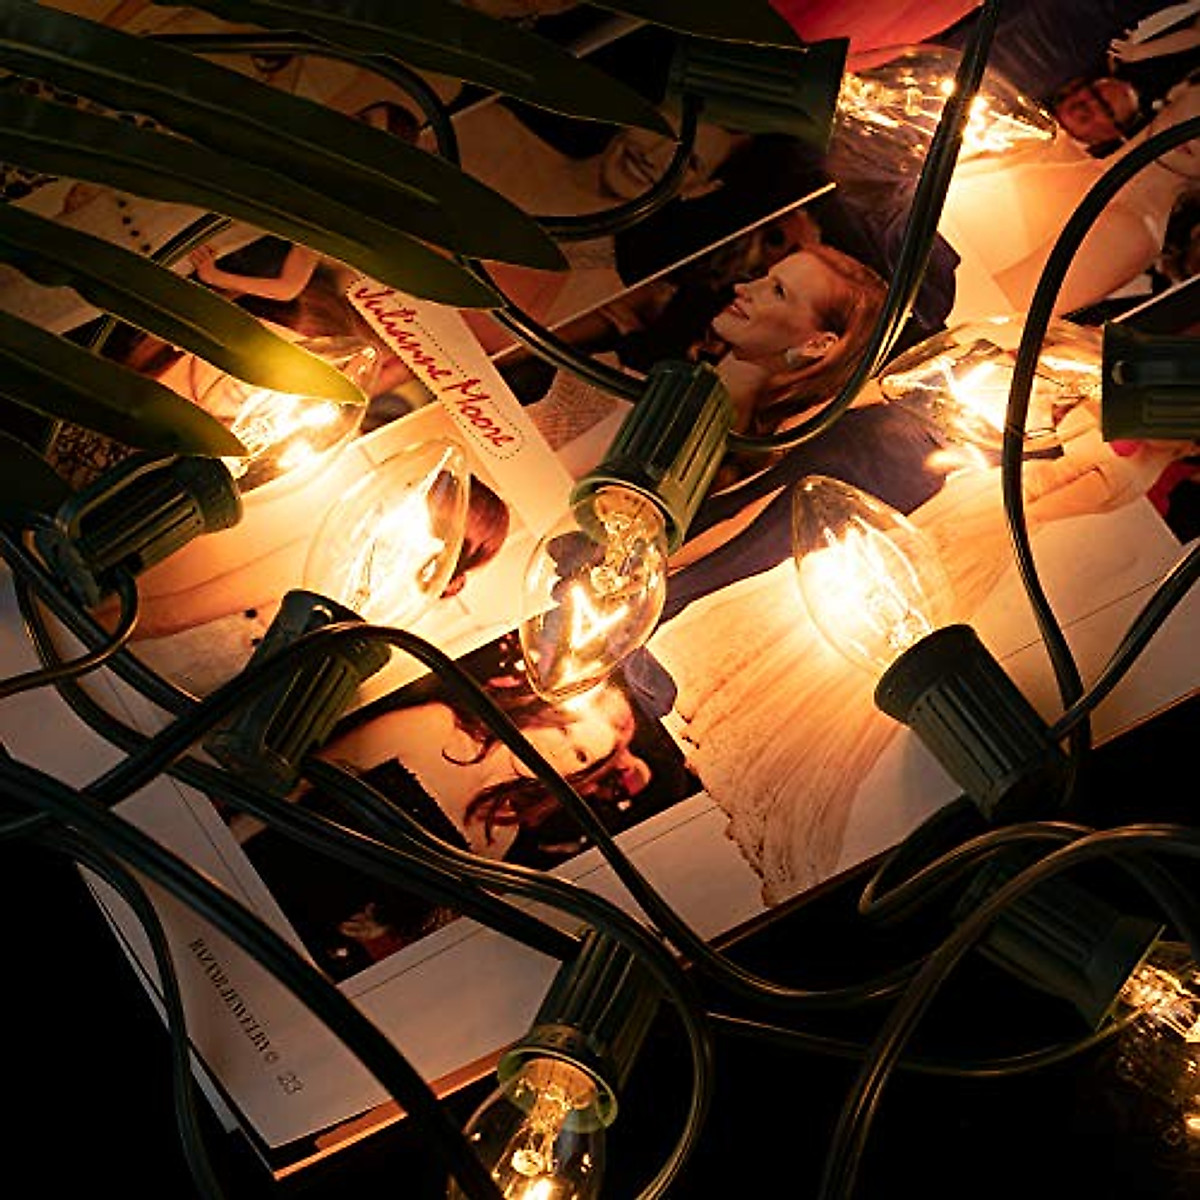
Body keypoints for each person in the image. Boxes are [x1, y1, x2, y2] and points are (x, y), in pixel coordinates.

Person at [648, 400, 1199, 907]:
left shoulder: (1134, 475)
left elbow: (1041, 501)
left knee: (867, 634)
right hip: (971, 495)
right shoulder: (1105, 418)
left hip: (992, 519)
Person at [233, 671, 658, 978]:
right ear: (540, 712)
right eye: (564, 731)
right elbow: (294, 784)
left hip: (303, 935)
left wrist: (387, 921)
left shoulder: (503, 832)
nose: (559, 755)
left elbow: (436, 915)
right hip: (256, 866)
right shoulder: (435, 725)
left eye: (581, 756)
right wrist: (224, 842)